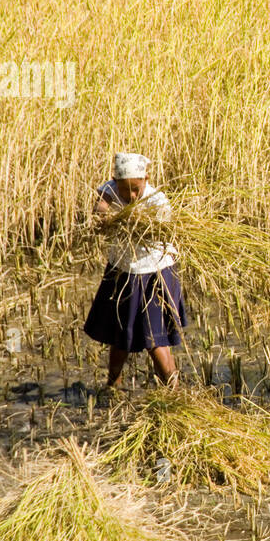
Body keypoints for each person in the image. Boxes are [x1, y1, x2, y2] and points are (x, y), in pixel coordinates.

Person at [83, 152, 186, 391]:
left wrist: (134, 223)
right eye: (124, 189)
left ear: (146, 180)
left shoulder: (156, 200)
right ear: (115, 181)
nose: (130, 196)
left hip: (154, 272)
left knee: (154, 339)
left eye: (135, 189)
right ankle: (113, 386)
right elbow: (101, 205)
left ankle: (173, 392)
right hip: (123, 270)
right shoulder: (111, 188)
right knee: (119, 333)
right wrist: (104, 216)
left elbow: (164, 232)